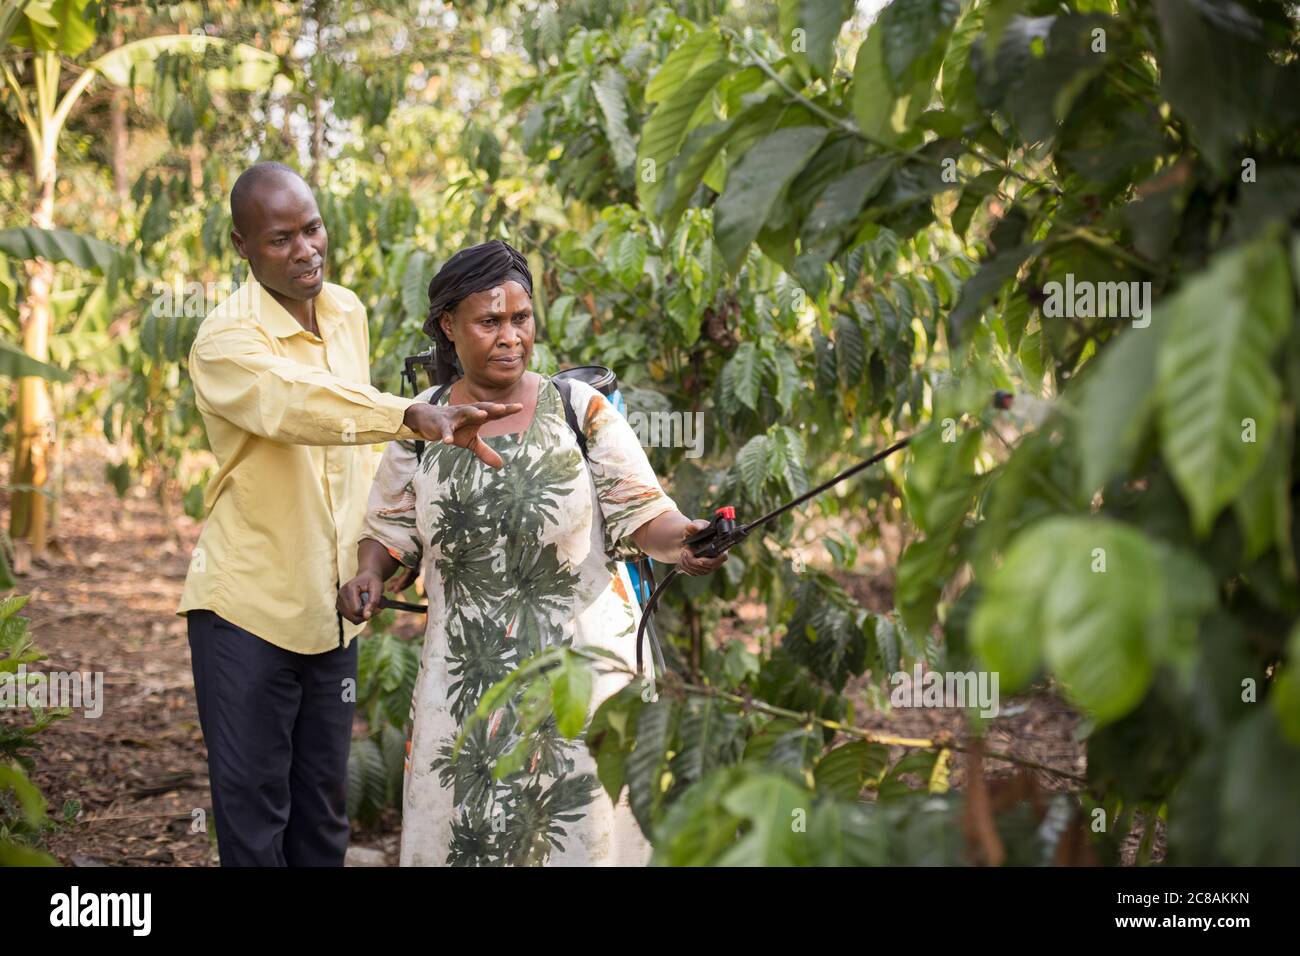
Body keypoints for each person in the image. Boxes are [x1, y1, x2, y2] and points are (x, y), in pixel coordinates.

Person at [337, 239, 726, 866]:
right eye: (489, 322)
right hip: (465, 685)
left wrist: (688, 541)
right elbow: (387, 530)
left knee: (583, 840)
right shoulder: (425, 425)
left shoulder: (580, 410)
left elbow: (646, 513)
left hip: (582, 682)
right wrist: (368, 574)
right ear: (448, 327)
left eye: (521, 319)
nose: (510, 336)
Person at [177, 163, 521, 866]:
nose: (306, 249)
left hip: (333, 610)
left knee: (323, 818)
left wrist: (381, 552)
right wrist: (408, 415)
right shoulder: (225, 340)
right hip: (248, 610)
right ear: (242, 247)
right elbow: (301, 406)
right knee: (255, 819)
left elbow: (351, 464)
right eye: (281, 239)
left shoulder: (346, 311)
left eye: (312, 228)